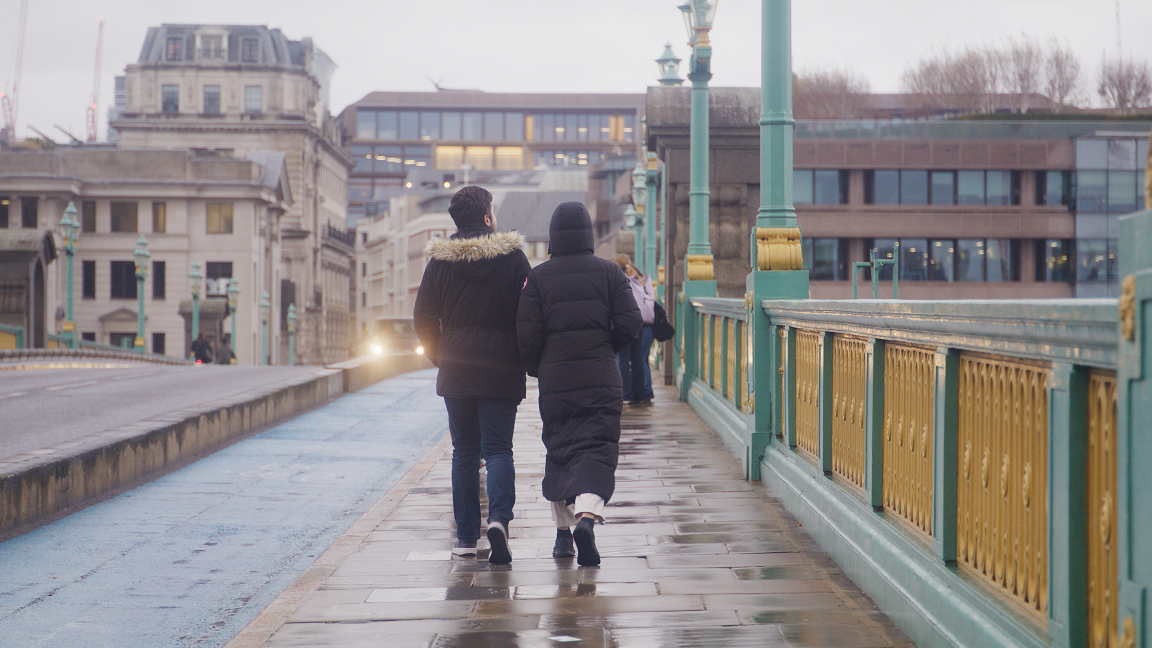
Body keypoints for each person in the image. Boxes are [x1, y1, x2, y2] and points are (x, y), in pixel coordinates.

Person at [517, 202, 642, 566]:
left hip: (557, 379)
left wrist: (540, 367)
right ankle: (587, 518)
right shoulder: (609, 274)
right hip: (601, 375)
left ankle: (562, 538)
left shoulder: (537, 279)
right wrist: (606, 347)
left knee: (560, 450)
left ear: (554, 236)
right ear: (588, 232)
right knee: (597, 449)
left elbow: (527, 336)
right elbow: (631, 322)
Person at [413, 185, 531, 565]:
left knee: (463, 453)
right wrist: (521, 354)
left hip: (457, 369)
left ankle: (465, 537)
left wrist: (440, 355)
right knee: (498, 450)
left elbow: (424, 318)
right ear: (486, 218)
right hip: (501, 368)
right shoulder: (513, 260)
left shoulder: (439, 264)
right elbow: (529, 313)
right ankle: (499, 521)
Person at [614, 255, 656, 405]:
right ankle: (641, 393)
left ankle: (626, 394)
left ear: (617, 264)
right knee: (638, 359)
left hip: (625, 323)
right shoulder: (641, 279)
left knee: (623, 359)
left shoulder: (620, 279)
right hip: (642, 323)